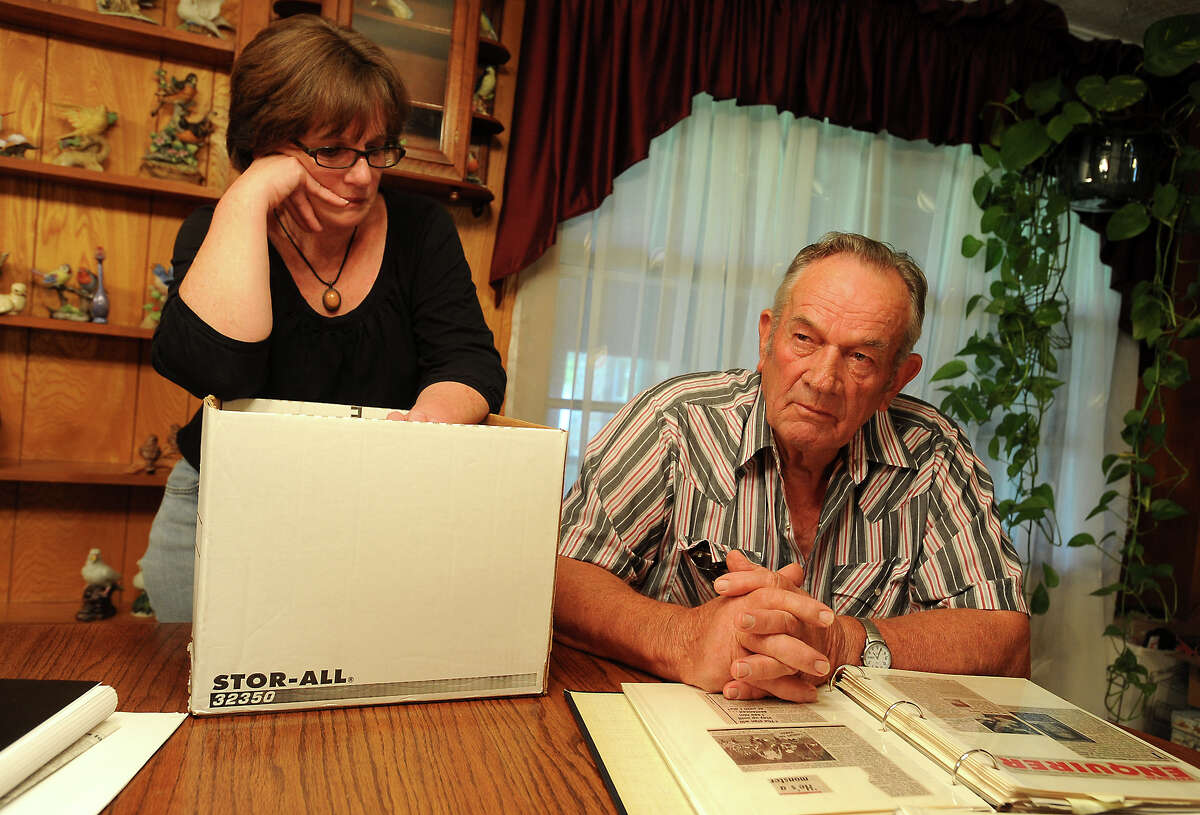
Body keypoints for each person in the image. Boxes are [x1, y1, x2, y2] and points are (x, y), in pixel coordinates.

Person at [554, 232, 1030, 702]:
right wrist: (684, 639)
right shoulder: (675, 421)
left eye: (861, 357)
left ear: (895, 380)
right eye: (805, 339)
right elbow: (561, 579)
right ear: (767, 338)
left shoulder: (934, 454)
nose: (823, 379)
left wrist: (842, 643)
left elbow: (1005, 643)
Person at [141, 15, 506, 622]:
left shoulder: (421, 230)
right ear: (266, 144)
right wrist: (250, 197)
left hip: (377, 511)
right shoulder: (214, 233)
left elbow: (470, 365)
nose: (363, 176)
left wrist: (418, 434)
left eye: (377, 149)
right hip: (222, 511)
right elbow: (218, 371)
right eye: (332, 150)